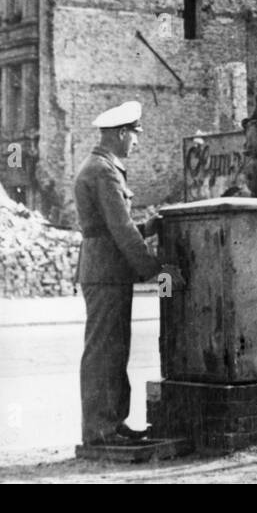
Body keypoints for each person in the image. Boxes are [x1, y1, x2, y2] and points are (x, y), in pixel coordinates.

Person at [75, 101, 167, 447]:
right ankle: (100, 430)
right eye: (135, 135)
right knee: (104, 351)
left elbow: (117, 226)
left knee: (114, 348)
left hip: (106, 270)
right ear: (120, 133)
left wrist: (149, 226)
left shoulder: (101, 166)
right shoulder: (104, 171)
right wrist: (156, 272)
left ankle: (113, 423)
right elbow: (120, 229)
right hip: (106, 272)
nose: (137, 143)